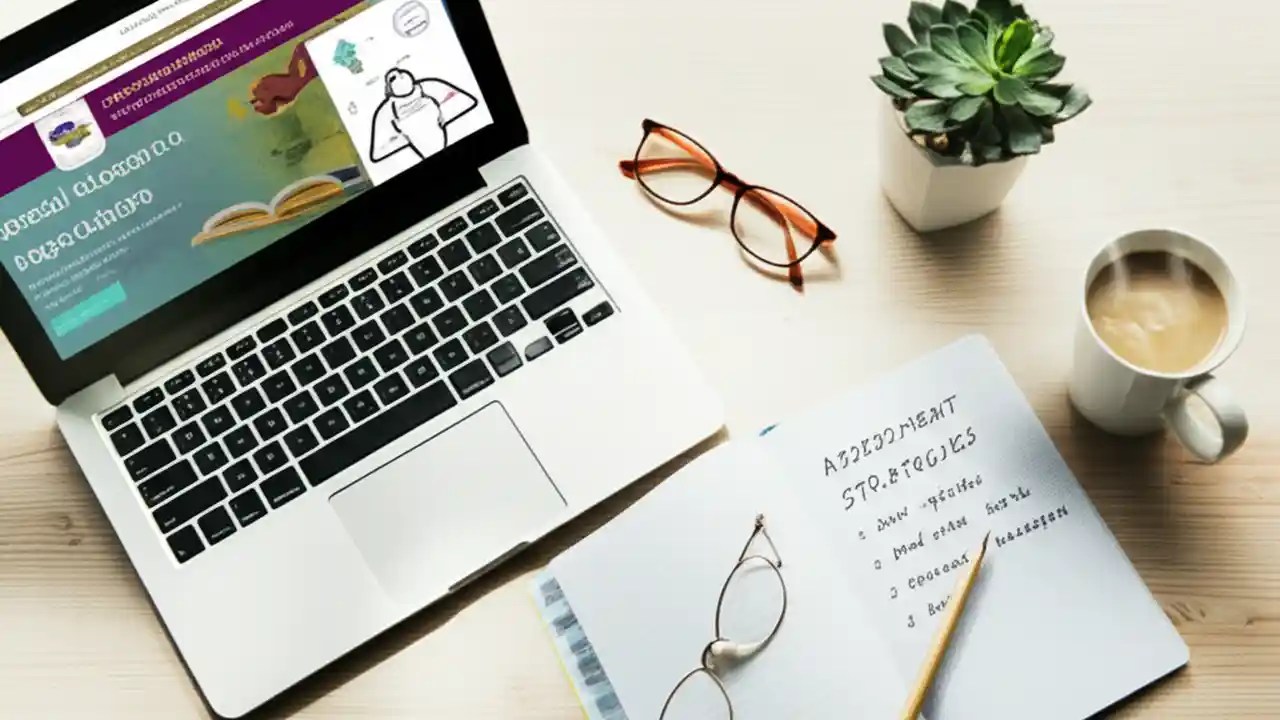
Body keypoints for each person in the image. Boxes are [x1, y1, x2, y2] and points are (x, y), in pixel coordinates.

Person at [369, 67, 478, 162]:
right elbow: (379, 150)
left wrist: (442, 114)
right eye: (393, 78)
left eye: (399, 74)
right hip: (418, 133)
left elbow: (463, 100)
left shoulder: (425, 87)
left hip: (430, 129)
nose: (398, 77)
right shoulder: (388, 108)